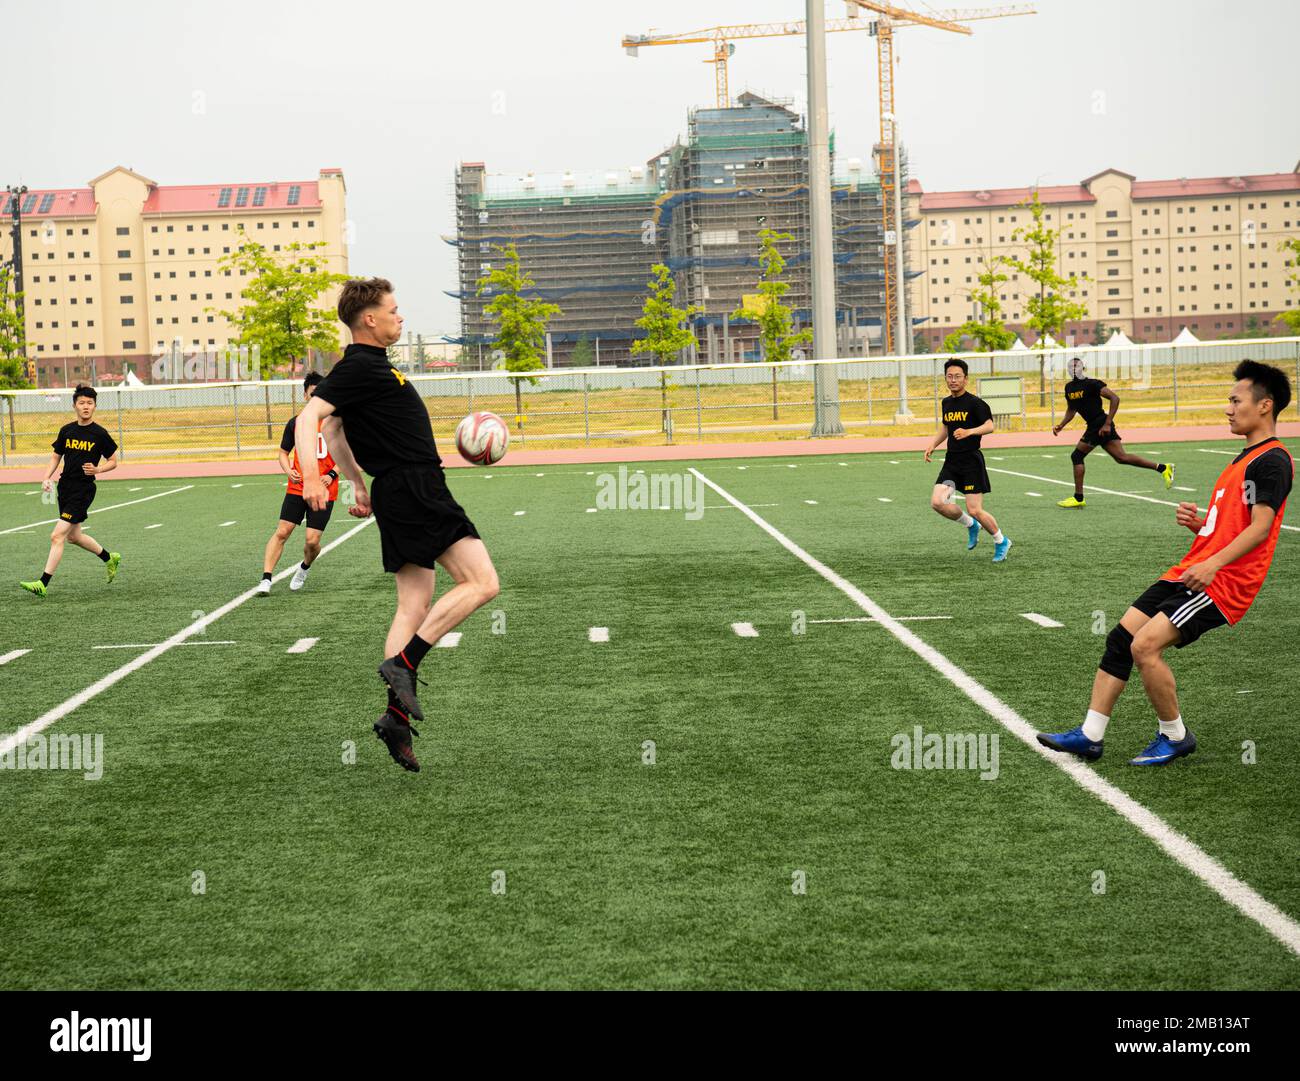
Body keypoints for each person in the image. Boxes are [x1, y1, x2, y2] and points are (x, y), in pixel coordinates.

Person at [1038, 360, 1292, 766]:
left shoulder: (1272, 461)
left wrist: (1213, 564)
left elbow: (1261, 529)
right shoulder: (1242, 460)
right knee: (1121, 638)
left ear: (1265, 406)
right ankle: (1090, 735)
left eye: (1235, 400)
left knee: (1145, 646)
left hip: (1222, 584)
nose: (1227, 408)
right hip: (1192, 570)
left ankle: (1174, 735)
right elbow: (1231, 528)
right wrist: (1201, 527)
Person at [296, 278, 500, 772]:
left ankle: (394, 720)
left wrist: (358, 484)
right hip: (415, 488)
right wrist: (311, 481)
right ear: (370, 319)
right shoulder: (359, 367)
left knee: (413, 603)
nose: (400, 317)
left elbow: (336, 428)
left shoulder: (372, 369)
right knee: (483, 583)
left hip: (396, 489)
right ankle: (404, 664)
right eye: (393, 309)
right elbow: (311, 420)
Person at [19, 385, 122, 597]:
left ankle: (43, 583)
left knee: (57, 535)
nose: (86, 407)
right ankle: (109, 558)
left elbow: (113, 461)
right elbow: (56, 456)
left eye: (90, 403)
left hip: (83, 490)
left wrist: (98, 469)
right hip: (65, 487)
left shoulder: (100, 434)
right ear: (74, 405)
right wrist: (47, 477)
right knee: (74, 537)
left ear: (95, 406)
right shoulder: (67, 430)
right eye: (82, 403)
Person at [256, 372, 340, 596]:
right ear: (305, 395)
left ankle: (304, 567)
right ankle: (266, 578)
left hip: (324, 490)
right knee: (283, 531)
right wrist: (288, 469)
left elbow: (347, 454)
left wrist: (331, 474)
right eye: (312, 394)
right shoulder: (297, 422)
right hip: (298, 487)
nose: (315, 399)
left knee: (312, 541)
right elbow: (283, 453)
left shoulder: (336, 421)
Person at [1053, 356, 1174, 508]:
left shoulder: (1092, 384)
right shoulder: (1069, 388)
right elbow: (1072, 409)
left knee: (1077, 456)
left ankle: (1078, 498)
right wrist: (1061, 425)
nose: (1073, 369)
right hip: (1095, 425)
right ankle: (1163, 468)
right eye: (1071, 367)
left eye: (1077, 367)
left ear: (1082, 368)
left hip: (1100, 424)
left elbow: (1115, 398)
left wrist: (1107, 423)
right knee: (1121, 458)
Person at [925, 358, 1013, 562]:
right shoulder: (946, 402)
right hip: (951, 463)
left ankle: (1001, 541)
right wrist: (933, 444)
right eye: (949, 376)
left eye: (957, 376)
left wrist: (969, 432)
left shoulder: (975, 403)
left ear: (965, 379)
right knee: (937, 502)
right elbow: (946, 427)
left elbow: (990, 426)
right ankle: (971, 525)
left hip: (971, 463)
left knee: (975, 509)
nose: (953, 380)